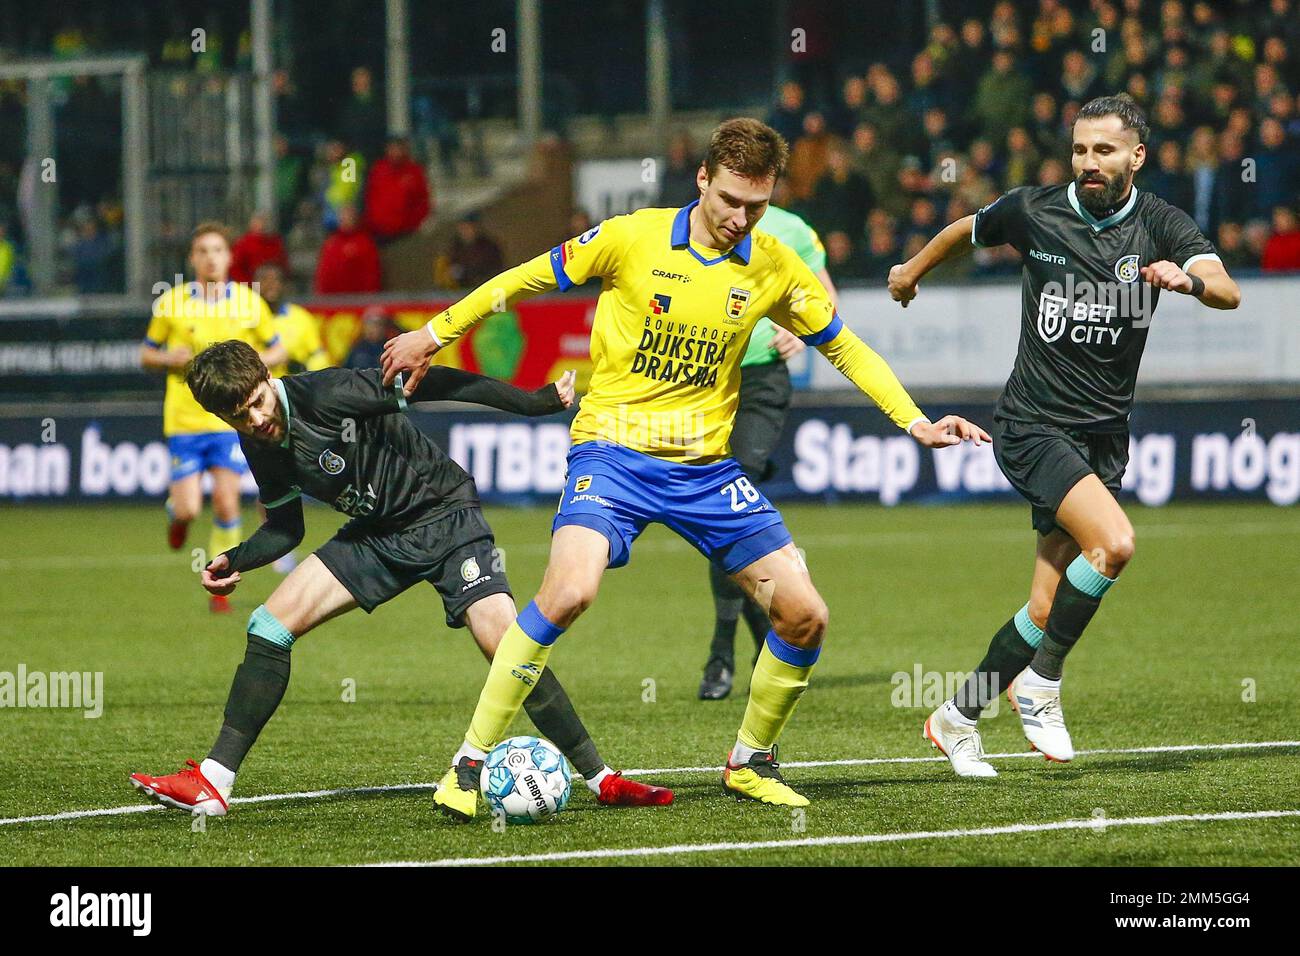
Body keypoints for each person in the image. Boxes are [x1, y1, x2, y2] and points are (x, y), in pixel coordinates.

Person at [382, 118, 988, 818]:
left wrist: (915, 421)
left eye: (755, 207)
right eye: (729, 200)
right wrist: (434, 332)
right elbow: (521, 282)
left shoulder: (773, 265)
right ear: (702, 179)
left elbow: (846, 347)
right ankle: (468, 763)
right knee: (569, 591)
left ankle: (750, 763)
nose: (739, 218)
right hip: (612, 450)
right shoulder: (631, 237)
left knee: (805, 614)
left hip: (704, 470)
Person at [129, 342, 672, 817]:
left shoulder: (331, 393)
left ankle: (602, 779)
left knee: (510, 650)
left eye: (257, 404)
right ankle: (214, 782)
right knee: (269, 626)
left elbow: (436, 382)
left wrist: (532, 403)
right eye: (238, 417)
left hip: (445, 519)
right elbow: (286, 528)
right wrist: (238, 558)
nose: (255, 421)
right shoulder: (259, 440)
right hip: (376, 534)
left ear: (269, 380)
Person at [888, 93, 1240, 777]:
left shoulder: (1162, 225)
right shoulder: (1035, 210)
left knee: (1048, 605)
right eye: (1080, 149)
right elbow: (966, 227)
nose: (1088, 162)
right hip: (1033, 425)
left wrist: (1191, 282)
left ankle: (957, 715)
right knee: (1115, 544)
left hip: (1103, 436)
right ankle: (1042, 684)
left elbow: (1226, 287)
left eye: (1104, 150)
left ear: (1136, 157)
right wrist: (908, 272)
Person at [698, 204, 831, 700]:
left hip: (761, 380)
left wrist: (799, 329)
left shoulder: (793, 229)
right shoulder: (699, 223)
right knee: (719, 511)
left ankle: (720, 651)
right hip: (707, 380)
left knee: (736, 488)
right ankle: (760, 644)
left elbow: (824, 298)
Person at [140, 223, 287, 613]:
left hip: (230, 421)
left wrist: (251, 368)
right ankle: (177, 516)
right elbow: (146, 354)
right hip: (185, 420)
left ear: (229, 257)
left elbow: (278, 351)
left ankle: (219, 584)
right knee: (189, 507)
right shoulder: (171, 303)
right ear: (192, 258)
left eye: (218, 249)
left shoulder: (249, 302)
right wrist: (166, 359)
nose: (210, 257)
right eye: (202, 250)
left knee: (226, 504)